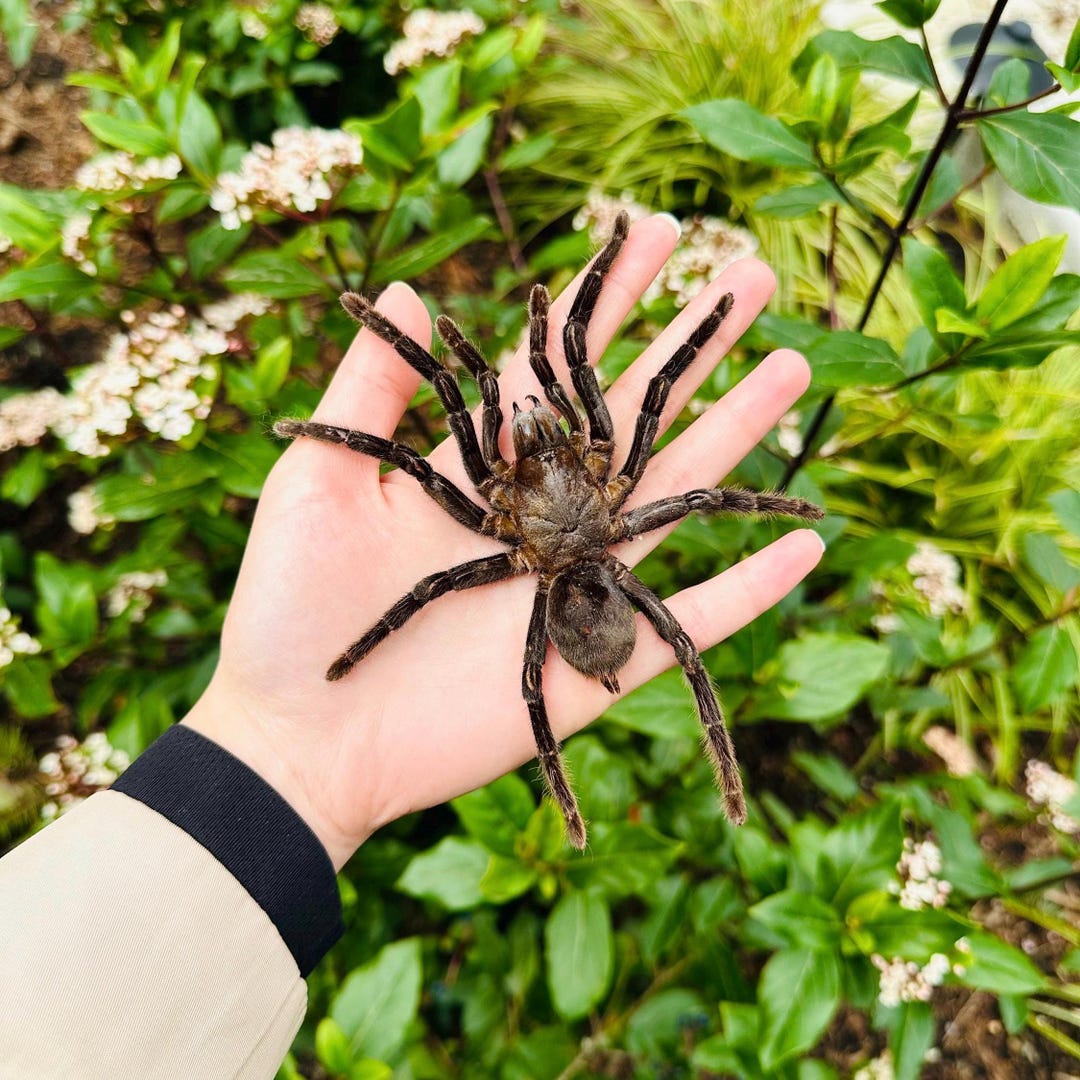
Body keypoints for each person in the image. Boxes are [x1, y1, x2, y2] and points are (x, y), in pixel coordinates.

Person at [0, 213, 824, 1079]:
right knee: (667, 621)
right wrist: (352, 418)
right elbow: (631, 430)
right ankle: (613, 795)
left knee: (597, 609)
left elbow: (455, 456)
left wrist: (550, 312)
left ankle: (633, 793)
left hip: (563, 580)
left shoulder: (501, 507)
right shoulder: (604, 477)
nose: (539, 433)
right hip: (594, 576)